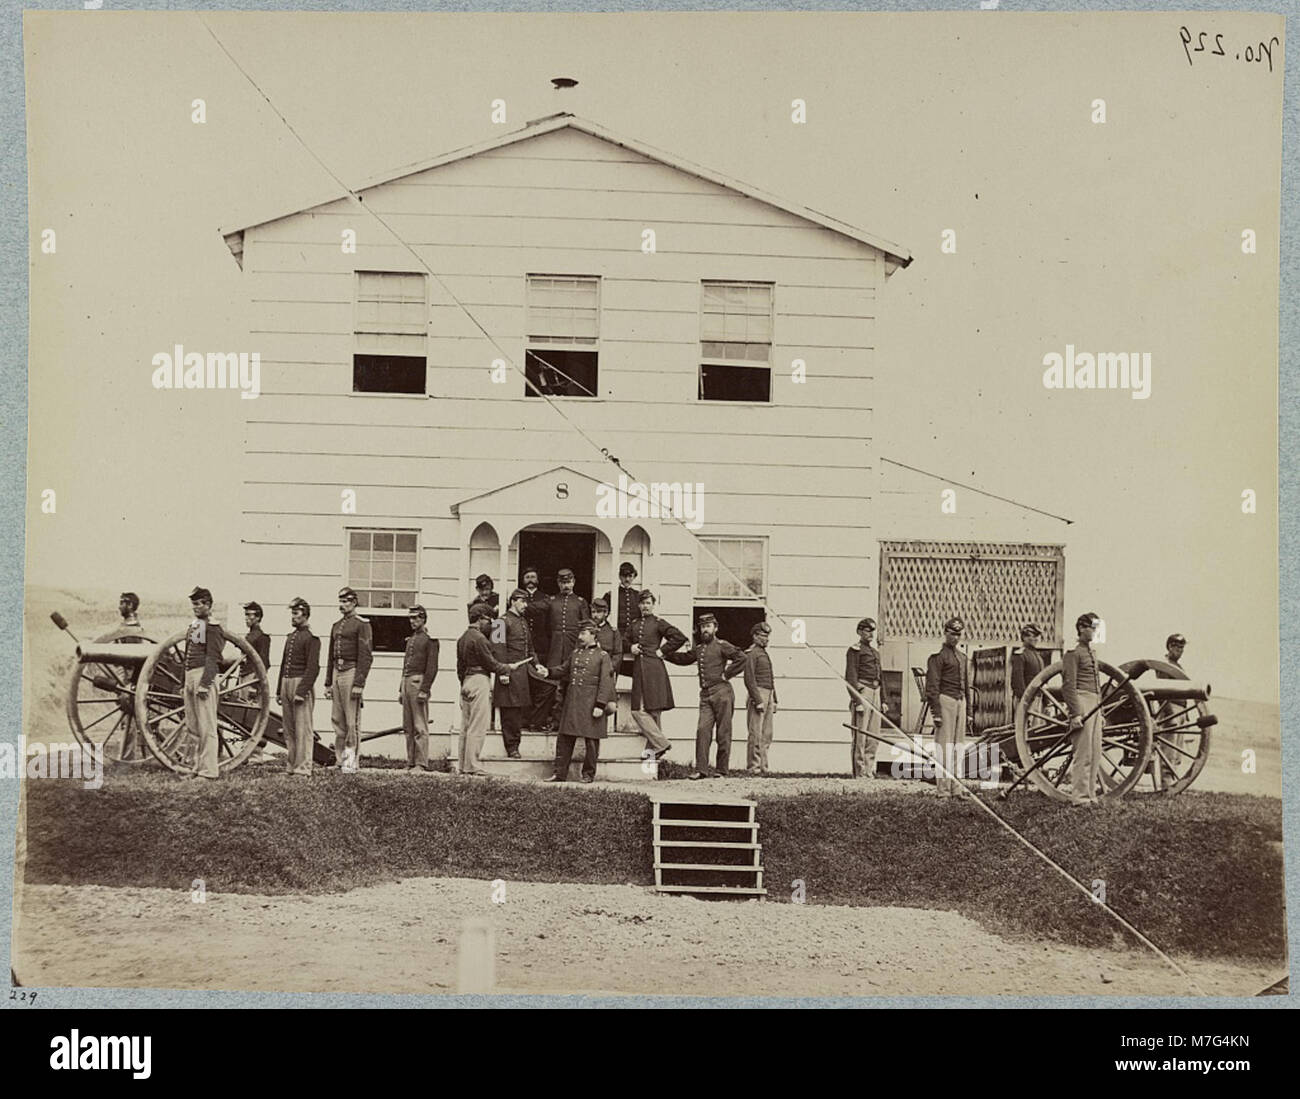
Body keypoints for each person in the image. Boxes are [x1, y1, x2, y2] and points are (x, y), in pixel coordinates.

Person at [665, 613, 745, 779]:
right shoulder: (700, 648)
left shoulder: (722, 645)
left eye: (708, 626)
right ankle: (701, 770)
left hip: (722, 692)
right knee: (703, 730)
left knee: (723, 733)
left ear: (715, 628)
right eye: (702, 627)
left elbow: (742, 658)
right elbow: (685, 658)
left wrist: (727, 674)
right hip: (705, 695)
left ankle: (721, 770)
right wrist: (665, 654)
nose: (705, 630)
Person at [457, 603, 530, 775]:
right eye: (488, 620)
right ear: (480, 619)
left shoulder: (463, 638)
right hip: (479, 681)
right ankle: (472, 766)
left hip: (466, 681)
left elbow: (459, 666)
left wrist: (464, 684)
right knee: (477, 727)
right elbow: (490, 663)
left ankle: (462, 765)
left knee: (465, 728)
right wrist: (507, 668)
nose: (489, 624)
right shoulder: (480, 638)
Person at [541, 619, 614, 783]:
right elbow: (563, 670)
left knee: (591, 741)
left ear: (593, 635)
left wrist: (600, 704)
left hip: (592, 702)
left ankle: (588, 774)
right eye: (580, 633)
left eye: (583, 633)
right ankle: (559, 773)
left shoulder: (603, 656)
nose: (580, 637)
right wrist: (548, 672)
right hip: (573, 701)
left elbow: (606, 682)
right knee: (565, 738)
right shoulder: (575, 653)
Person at [624, 590, 686, 761]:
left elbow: (679, 637)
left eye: (648, 603)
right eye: (642, 603)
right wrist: (630, 647)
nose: (645, 606)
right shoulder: (634, 624)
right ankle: (661, 743)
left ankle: (650, 764)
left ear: (653, 604)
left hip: (654, 669)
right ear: (638, 605)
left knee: (654, 711)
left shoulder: (659, 623)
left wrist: (662, 651)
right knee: (637, 710)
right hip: (639, 669)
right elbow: (623, 640)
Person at [325, 587, 372, 773]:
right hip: (337, 671)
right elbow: (330, 655)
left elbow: (366, 655)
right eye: (341, 601)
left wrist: (359, 683)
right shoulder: (336, 625)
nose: (342, 605)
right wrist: (328, 682)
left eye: (346, 601)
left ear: (354, 603)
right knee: (337, 719)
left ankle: (350, 762)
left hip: (351, 672)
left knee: (352, 721)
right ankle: (340, 760)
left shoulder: (362, 624)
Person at [925, 616, 972, 798]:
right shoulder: (937, 658)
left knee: (958, 747)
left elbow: (967, 686)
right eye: (952, 634)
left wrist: (968, 712)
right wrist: (936, 712)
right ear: (945, 633)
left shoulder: (962, 657)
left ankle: (956, 789)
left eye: (958, 634)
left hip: (961, 702)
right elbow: (932, 687)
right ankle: (943, 791)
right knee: (944, 747)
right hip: (945, 701)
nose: (955, 638)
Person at [1061, 612, 1103, 805]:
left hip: (1094, 702)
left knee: (1095, 751)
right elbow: (1069, 685)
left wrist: (1100, 712)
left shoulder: (1092, 652)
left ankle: (1090, 793)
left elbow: (1097, 684)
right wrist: (1076, 713)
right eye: (1091, 628)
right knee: (1083, 753)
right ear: (1081, 628)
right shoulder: (1073, 652)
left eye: (1095, 628)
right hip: (1082, 701)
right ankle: (1079, 797)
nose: (1094, 632)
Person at [182, 586, 223, 780]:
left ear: (209, 605)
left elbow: (213, 658)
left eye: (199, 604)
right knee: (193, 726)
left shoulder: (213, 627)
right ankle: (196, 768)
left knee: (207, 727)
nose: (196, 608)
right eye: (194, 604)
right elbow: (189, 652)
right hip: (190, 676)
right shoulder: (196, 625)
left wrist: (205, 684)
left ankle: (209, 771)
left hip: (202, 676)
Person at [276, 597, 320, 777]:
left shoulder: (312, 638)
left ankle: (303, 768)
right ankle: (291, 765)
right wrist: (279, 689)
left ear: (305, 615)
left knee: (303, 729)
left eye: (296, 613)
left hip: (301, 683)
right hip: (287, 683)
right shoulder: (291, 637)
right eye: (292, 613)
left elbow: (313, 668)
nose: (292, 617)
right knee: (289, 729)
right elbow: (283, 664)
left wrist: (302, 691)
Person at [494, 588, 538, 758]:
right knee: (510, 711)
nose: (526, 605)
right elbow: (497, 650)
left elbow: (530, 649)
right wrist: (503, 672)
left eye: (527, 601)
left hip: (523, 673)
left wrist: (538, 665)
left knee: (546, 689)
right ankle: (512, 747)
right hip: (508, 672)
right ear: (513, 601)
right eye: (523, 601)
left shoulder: (523, 622)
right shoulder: (501, 622)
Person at [399, 604, 439, 772]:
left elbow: (432, 667)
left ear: (423, 619)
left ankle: (421, 763)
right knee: (408, 726)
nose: (413, 621)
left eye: (416, 617)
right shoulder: (411, 640)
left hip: (418, 682)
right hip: (407, 683)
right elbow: (405, 666)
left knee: (419, 725)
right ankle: (411, 761)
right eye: (411, 617)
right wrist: (400, 689)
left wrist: (425, 689)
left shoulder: (430, 641)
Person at [845, 617, 882, 779]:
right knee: (861, 734)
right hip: (863, 691)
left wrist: (885, 700)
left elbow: (882, 677)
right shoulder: (854, 651)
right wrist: (857, 700)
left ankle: (868, 769)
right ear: (859, 632)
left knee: (874, 735)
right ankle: (859, 772)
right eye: (867, 631)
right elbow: (851, 677)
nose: (870, 634)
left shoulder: (875, 653)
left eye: (872, 631)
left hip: (876, 692)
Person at [742, 621, 777, 775]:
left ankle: (763, 766)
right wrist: (758, 700)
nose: (766, 639)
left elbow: (770, 679)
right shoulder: (752, 653)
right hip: (759, 694)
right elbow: (749, 679)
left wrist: (774, 699)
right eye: (762, 636)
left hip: (768, 694)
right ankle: (753, 767)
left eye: (767, 636)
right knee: (755, 733)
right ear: (755, 636)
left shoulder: (764, 653)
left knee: (767, 733)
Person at [520, 566, 553, 730]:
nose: (530, 580)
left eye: (533, 577)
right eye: (527, 577)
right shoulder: (517, 598)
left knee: (542, 684)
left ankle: (538, 719)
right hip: (523, 648)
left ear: (538, 580)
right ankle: (526, 719)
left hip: (541, 648)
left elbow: (550, 623)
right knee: (526, 685)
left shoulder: (545, 598)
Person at [590, 597, 622, 733]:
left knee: (610, 706)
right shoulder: (587, 630)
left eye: (598, 612)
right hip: (590, 674)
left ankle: (601, 729)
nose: (595, 615)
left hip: (606, 675)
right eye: (593, 612)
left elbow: (618, 654)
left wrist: (609, 669)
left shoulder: (613, 632)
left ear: (606, 613)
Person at [606, 562, 642, 679]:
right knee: (613, 667)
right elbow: (601, 614)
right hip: (618, 637)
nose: (627, 579)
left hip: (634, 637)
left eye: (630, 576)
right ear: (619, 576)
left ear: (634, 577)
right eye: (624, 576)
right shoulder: (611, 595)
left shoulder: (638, 596)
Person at [1010, 623, 1045, 705]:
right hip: (1025, 699)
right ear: (1024, 637)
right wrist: (1024, 699)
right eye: (1033, 636)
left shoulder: (1038, 656)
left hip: (1037, 698)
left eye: (1037, 636)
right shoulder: (1020, 655)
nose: (1036, 639)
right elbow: (1017, 681)